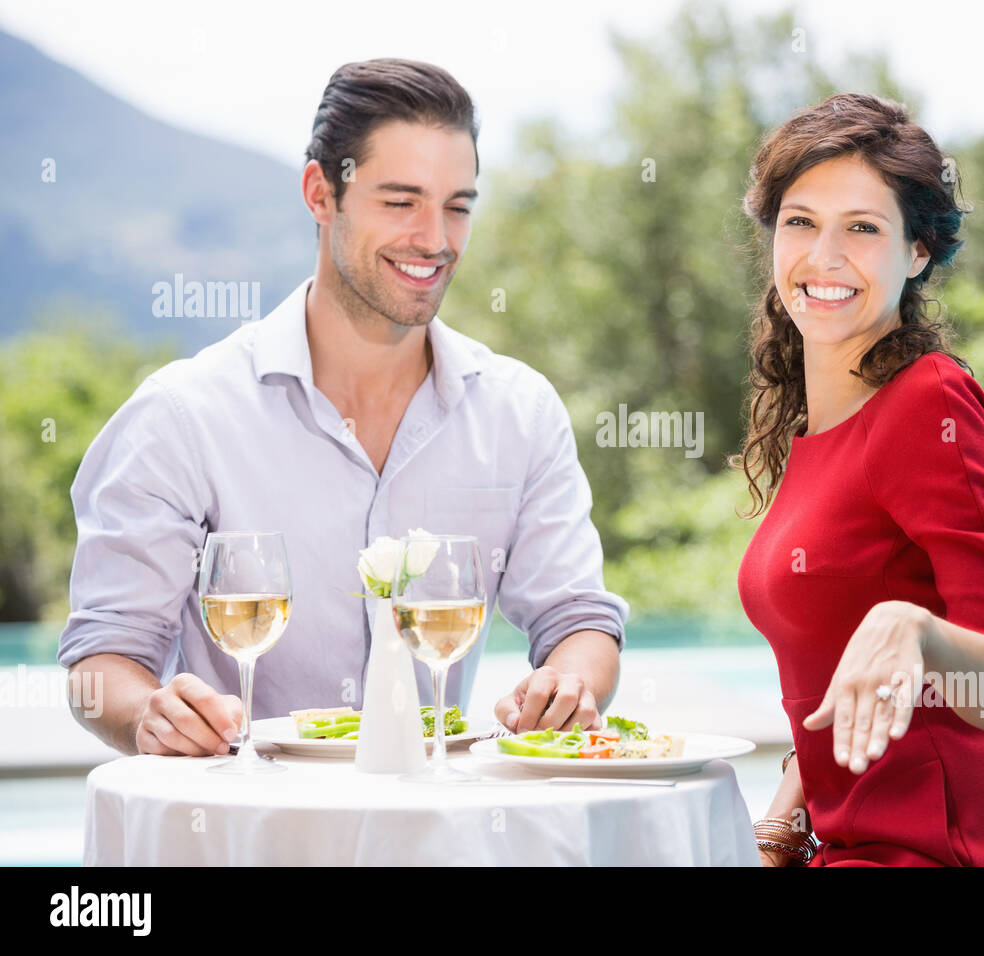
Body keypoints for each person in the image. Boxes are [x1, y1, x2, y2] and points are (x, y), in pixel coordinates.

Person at [59, 59, 627, 757]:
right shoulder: (182, 416)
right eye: (400, 201)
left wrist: (569, 683)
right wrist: (149, 712)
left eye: (458, 205)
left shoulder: (520, 411)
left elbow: (580, 618)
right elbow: (104, 655)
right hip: (246, 837)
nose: (436, 238)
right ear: (320, 193)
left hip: (437, 837)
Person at [734, 93, 984, 866]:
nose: (824, 255)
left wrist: (914, 628)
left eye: (863, 228)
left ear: (917, 251)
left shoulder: (929, 402)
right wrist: (782, 821)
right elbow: (831, 699)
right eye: (801, 221)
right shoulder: (813, 424)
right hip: (846, 847)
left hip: (950, 851)